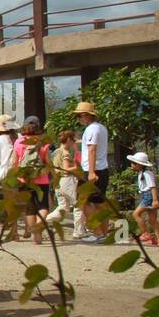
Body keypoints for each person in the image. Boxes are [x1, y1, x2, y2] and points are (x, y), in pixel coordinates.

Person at [11, 117, 52, 244]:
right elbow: (47, 161)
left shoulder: (18, 142)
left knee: (29, 208)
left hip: (24, 179)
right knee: (43, 206)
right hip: (41, 179)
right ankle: (38, 227)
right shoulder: (43, 142)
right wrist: (52, 173)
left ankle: (36, 237)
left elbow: (14, 162)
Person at [76, 101, 110, 242]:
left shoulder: (91, 130)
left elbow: (92, 149)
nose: (79, 119)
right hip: (102, 169)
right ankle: (103, 232)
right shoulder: (101, 128)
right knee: (99, 203)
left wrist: (90, 171)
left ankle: (98, 233)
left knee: (82, 202)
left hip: (93, 169)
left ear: (87, 115)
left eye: (80, 116)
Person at [45, 127, 85, 239]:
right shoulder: (65, 153)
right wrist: (76, 166)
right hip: (67, 180)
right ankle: (79, 231)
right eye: (72, 140)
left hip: (58, 181)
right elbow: (66, 168)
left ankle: (44, 219)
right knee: (78, 205)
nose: (73, 143)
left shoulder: (56, 151)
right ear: (68, 140)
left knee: (63, 207)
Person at [128, 151, 159, 248]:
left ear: (140, 165)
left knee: (136, 214)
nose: (132, 165)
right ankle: (157, 239)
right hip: (145, 195)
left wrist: (155, 200)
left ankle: (145, 233)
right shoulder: (141, 173)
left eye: (134, 163)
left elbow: (153, 187)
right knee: (152, 219)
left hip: (148, 196)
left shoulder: (147, 173)